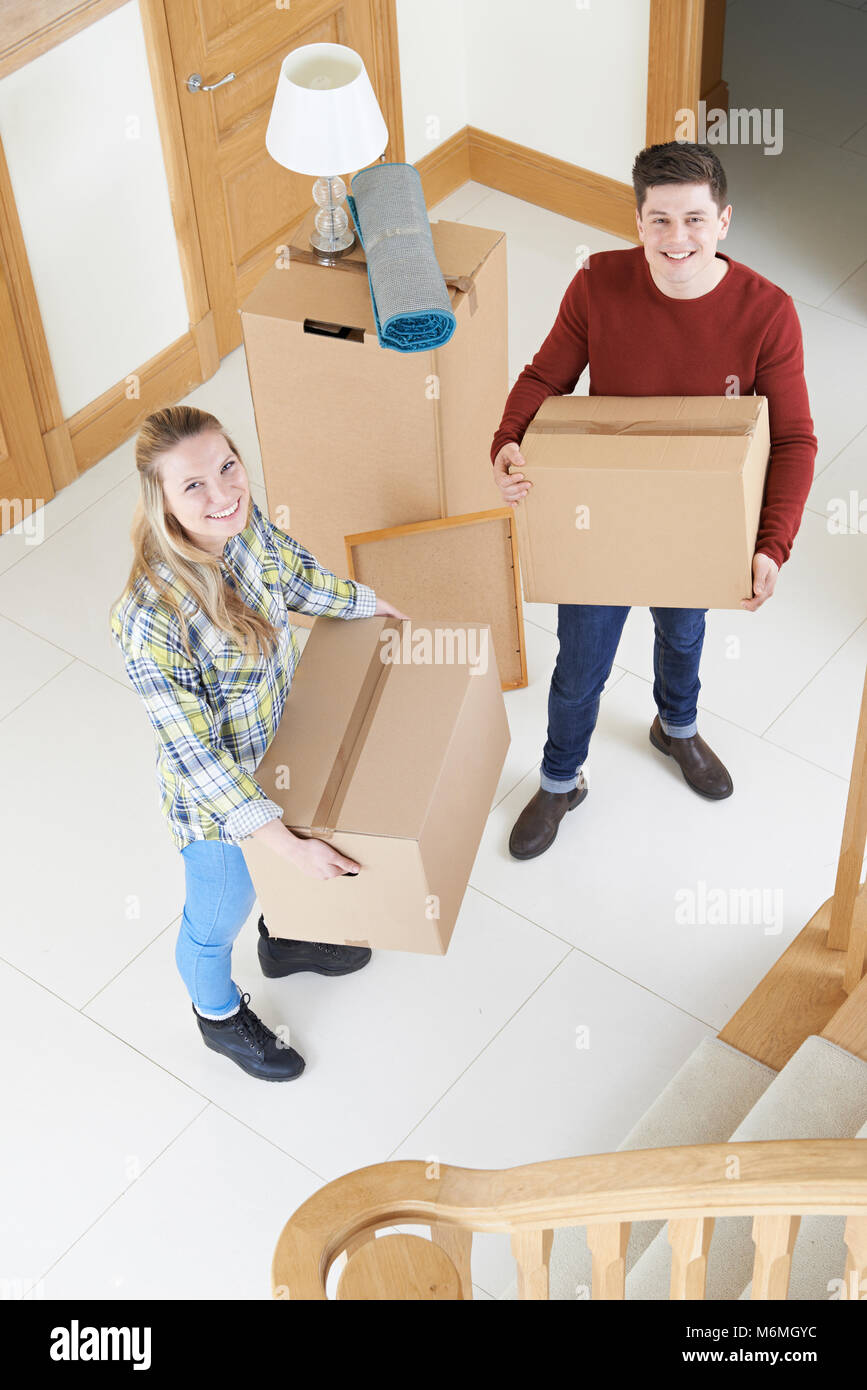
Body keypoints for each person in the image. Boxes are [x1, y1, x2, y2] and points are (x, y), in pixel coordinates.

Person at [490, 141, 817, 861]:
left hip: (696, 515)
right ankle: (558, 779)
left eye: (694, 220)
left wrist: (770, 544)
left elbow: (792, 440)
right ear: (637, 222)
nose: (677, 240)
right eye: (659, 220)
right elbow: (544, 377)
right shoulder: (597, 283)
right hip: (600, 510)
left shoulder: (767, 312)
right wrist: (509, 439)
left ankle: (675, 728)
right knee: (580, 665)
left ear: (723, 220)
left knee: (682, 632)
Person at [109, 405, 408, 1081]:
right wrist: (283, 844)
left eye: (227, 466)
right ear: (160, 500)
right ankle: (216, 1016)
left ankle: (286, 940)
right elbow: (197, 759)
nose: (223, 494)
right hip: (219, 810)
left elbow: (295, 575)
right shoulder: (149, 619)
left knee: (286, 870)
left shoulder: (243, 532)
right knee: (218, 916)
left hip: (280, 752)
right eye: (193, 486)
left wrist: (366, 603)